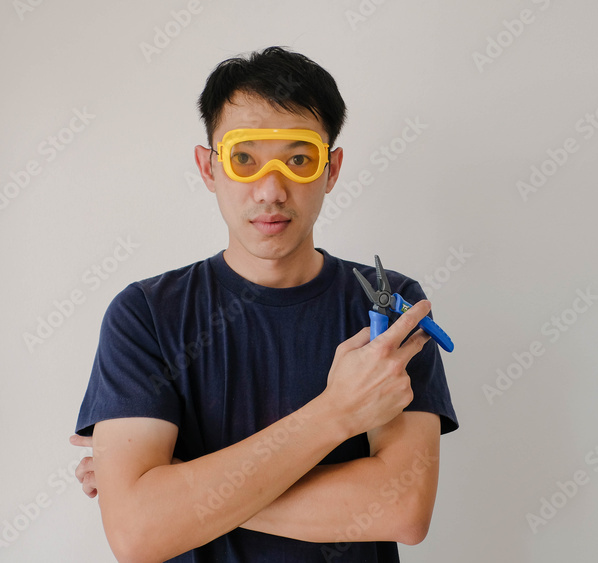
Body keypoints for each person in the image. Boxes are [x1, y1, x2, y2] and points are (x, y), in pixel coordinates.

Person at [69, 46, 458, 563]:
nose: (271, 190)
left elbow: (402, 510)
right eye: (244, 158)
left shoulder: (394, 311)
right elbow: (138, 536)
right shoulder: (144, 315)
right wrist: (335, 414)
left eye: (298, 159)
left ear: (332, 169)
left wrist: (182, 482)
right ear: (208, 168)